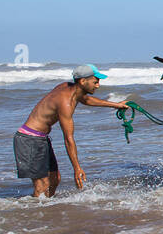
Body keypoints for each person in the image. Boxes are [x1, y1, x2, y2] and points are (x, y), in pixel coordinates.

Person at [14, 64, 132, 197]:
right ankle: (33, 212)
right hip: (29, 140)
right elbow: (68, 139)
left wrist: (116, 105)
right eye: (95, 81)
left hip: (39, 138)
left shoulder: (67, 87)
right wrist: (77, 168)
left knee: (54, 179)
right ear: (83, 81)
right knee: (42, 184)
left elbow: (85, 99)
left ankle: (46, 212)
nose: (98, 85)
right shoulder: (66, 103)